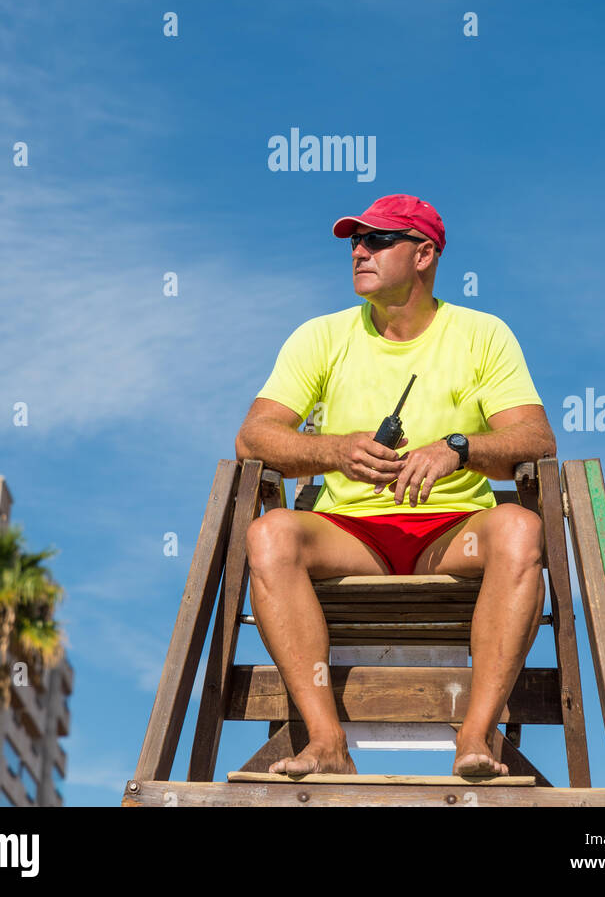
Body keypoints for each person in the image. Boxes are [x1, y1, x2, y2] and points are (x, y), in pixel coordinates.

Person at [236, 194, 556, 778]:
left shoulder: (483, 334)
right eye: (355, 241)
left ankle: (476, 737)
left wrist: (458, 448)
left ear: (424, 254)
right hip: (352, 536)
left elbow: (536, 439)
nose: (359, 252)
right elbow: (253, 437)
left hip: (452, 536)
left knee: (520, 526)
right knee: (269, 534)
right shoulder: (320, 336)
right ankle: (327, 743)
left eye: (378, 240)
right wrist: (335, 450)